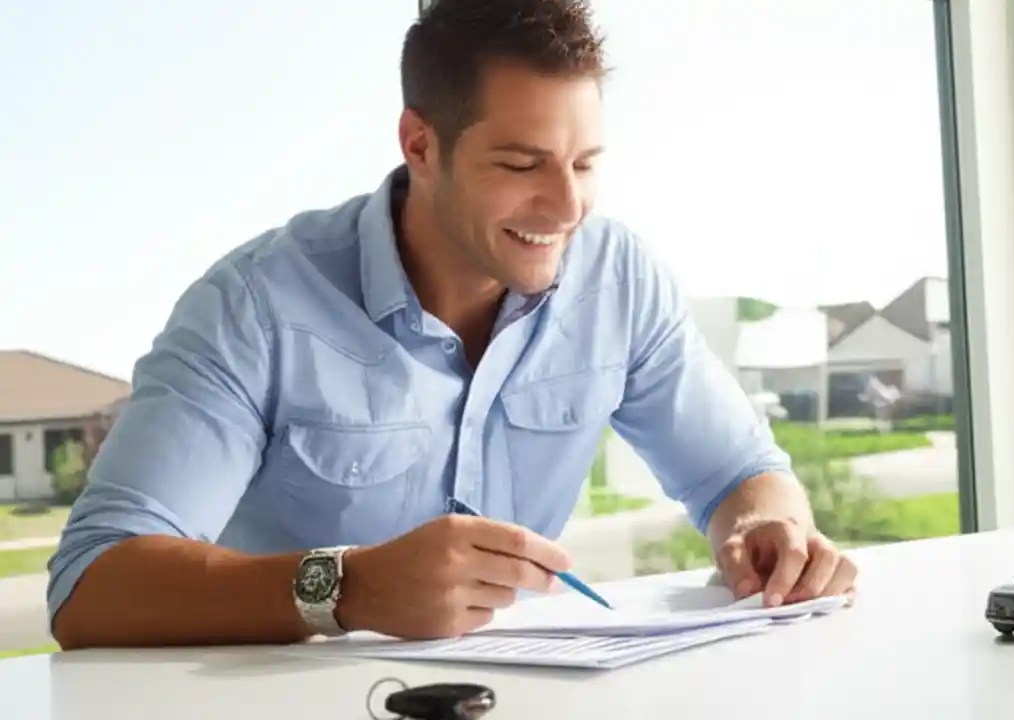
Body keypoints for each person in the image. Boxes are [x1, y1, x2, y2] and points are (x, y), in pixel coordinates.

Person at [48, 0, 857, 650]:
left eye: (584, 164)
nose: (568, 208)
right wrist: (353, 587)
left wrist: (767, 526)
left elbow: (736, 473)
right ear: (419, 145)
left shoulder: (618, 278)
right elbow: (91, 586)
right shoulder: (254, 309)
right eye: (520, 164)